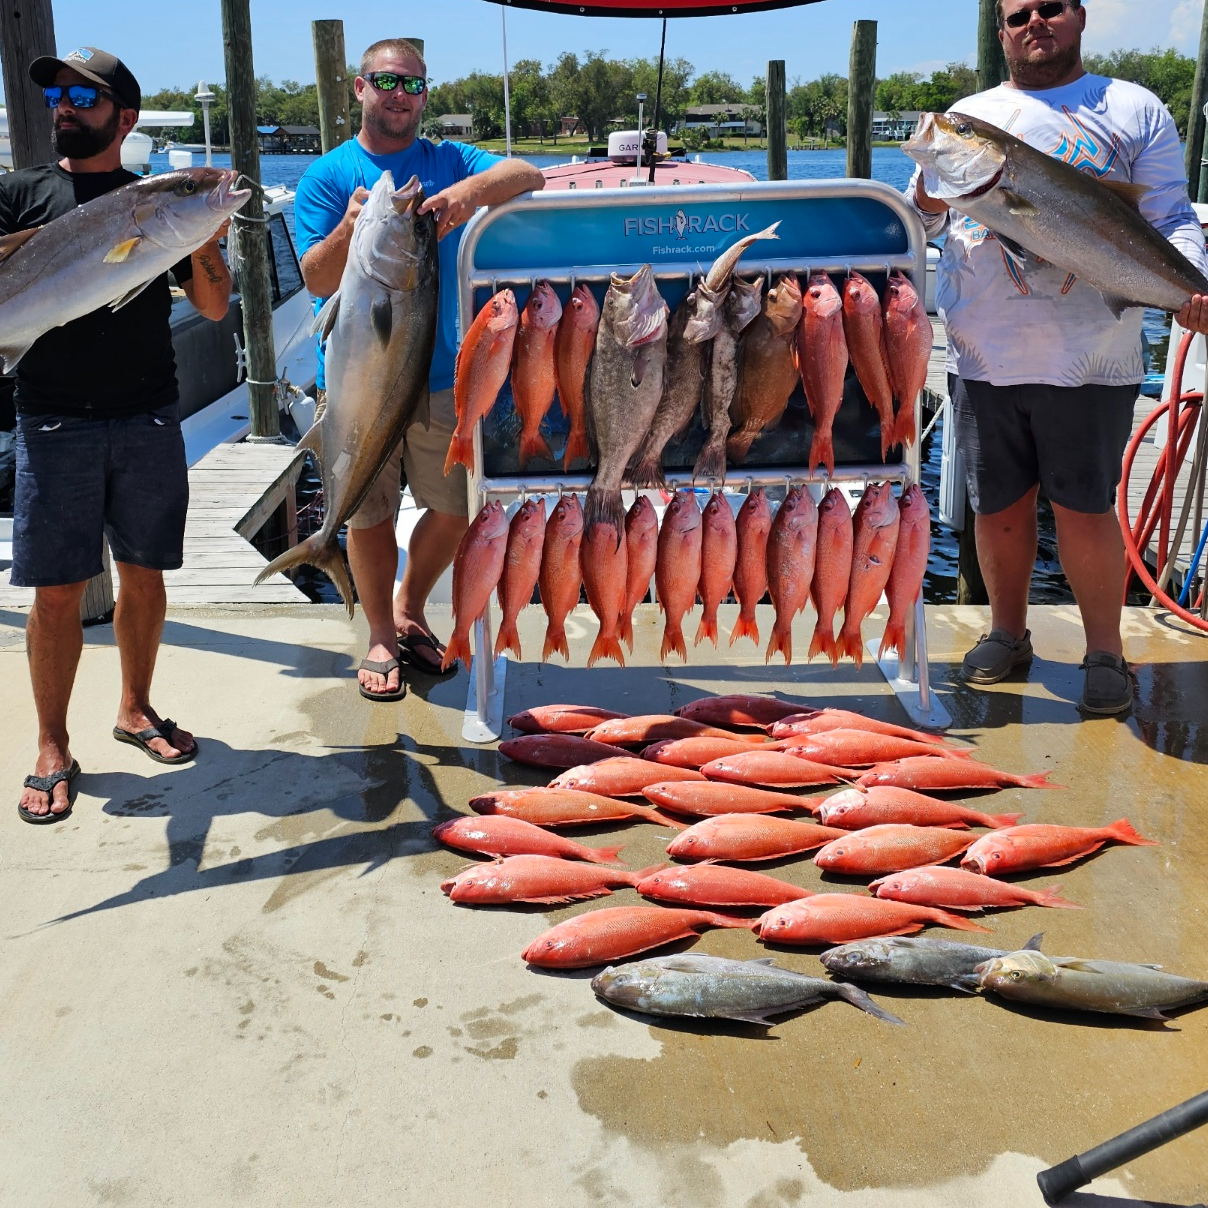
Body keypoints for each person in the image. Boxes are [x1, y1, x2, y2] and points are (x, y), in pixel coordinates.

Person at [908, 0, 1208, 715]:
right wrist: (926, 192)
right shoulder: (971, 113)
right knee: (997, 506)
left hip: (1092, 353)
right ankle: (1006, 633)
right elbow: (917, 221)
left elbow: (1171, 215)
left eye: (1050, 8)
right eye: (1018, 16)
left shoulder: (1132, 107)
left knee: (1084, 506)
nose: (1034, 23)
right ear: (1002, 33)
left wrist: (1193, 286)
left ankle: (1105, 652)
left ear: (1079, 17)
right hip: (984, 349)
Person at [3, 48, 234, 823]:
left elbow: (212, 308)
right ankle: (51, 745)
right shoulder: (19, 193)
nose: (65, 109)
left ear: (125, 117)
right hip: (52, 418)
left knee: (145, 574)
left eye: (84, 97)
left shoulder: (159, 202)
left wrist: (203, 229)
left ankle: (136, 709)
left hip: (147, 415)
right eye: (57, 98)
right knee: (57, 592)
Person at [294, 38, 543, 701]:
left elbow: (528, 174)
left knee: (457, 506)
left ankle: (409, 606)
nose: (400, 95)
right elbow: (314, 277)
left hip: (441, 380)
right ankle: (380, 634)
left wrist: (463, 195)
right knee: (368, 513)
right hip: (358, 381)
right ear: (359, 88)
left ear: (425, 94)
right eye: (387, 82)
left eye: (413, 84)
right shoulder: (326, 176)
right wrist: (350, 230)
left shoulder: (449, 159)